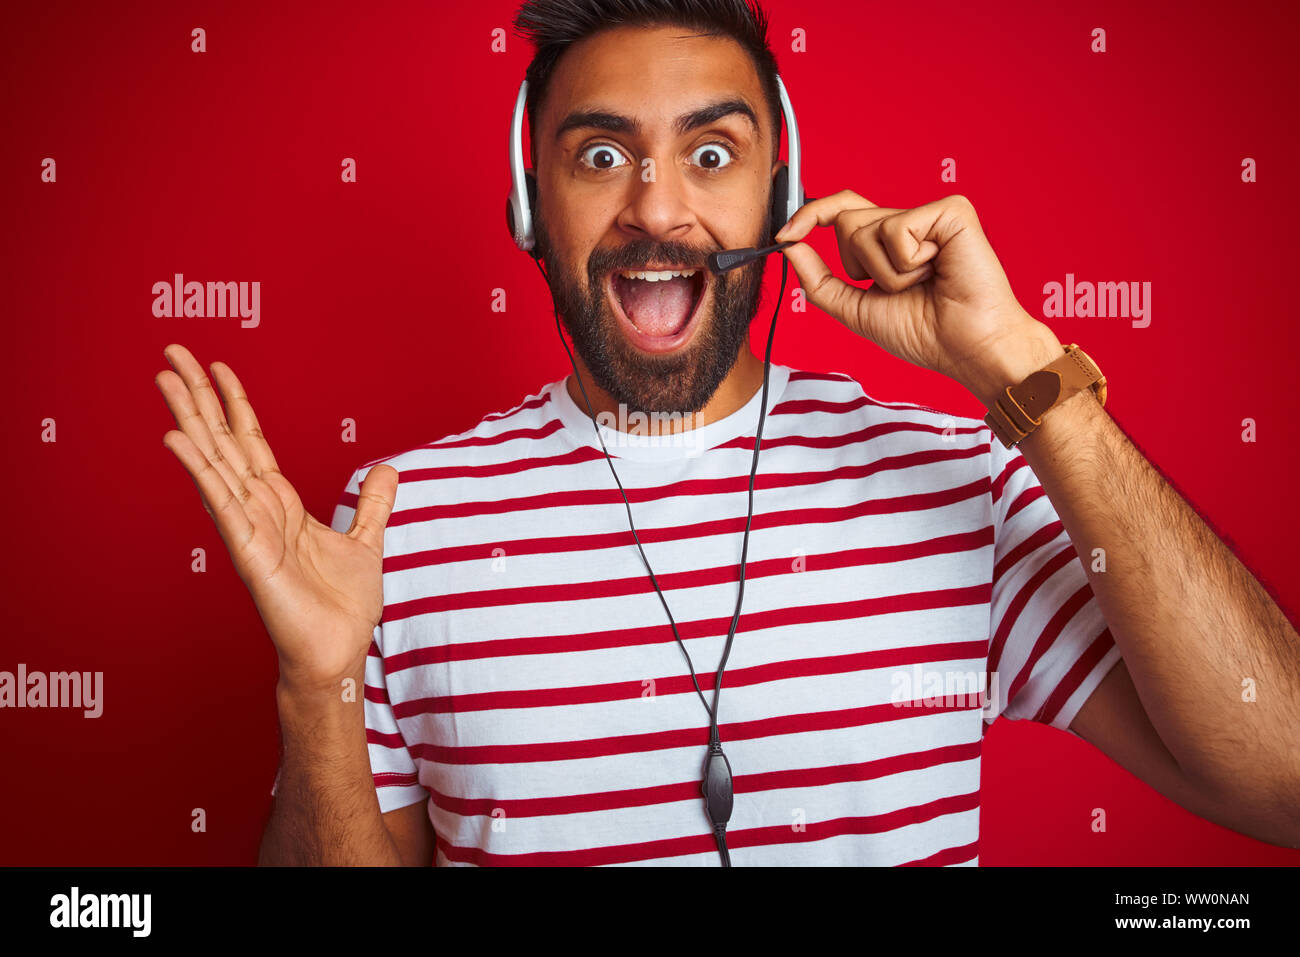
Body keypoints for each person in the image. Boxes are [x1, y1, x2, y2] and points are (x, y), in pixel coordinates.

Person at [154, 0, 1300, 865]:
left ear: (777, 190)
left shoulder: (954, 477)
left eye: (711, 154)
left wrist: (1026, 372)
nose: (657, 207)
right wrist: (318, 687)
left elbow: (1280, 778)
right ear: (526, 206)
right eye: (600, 156)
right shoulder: (394, 523)